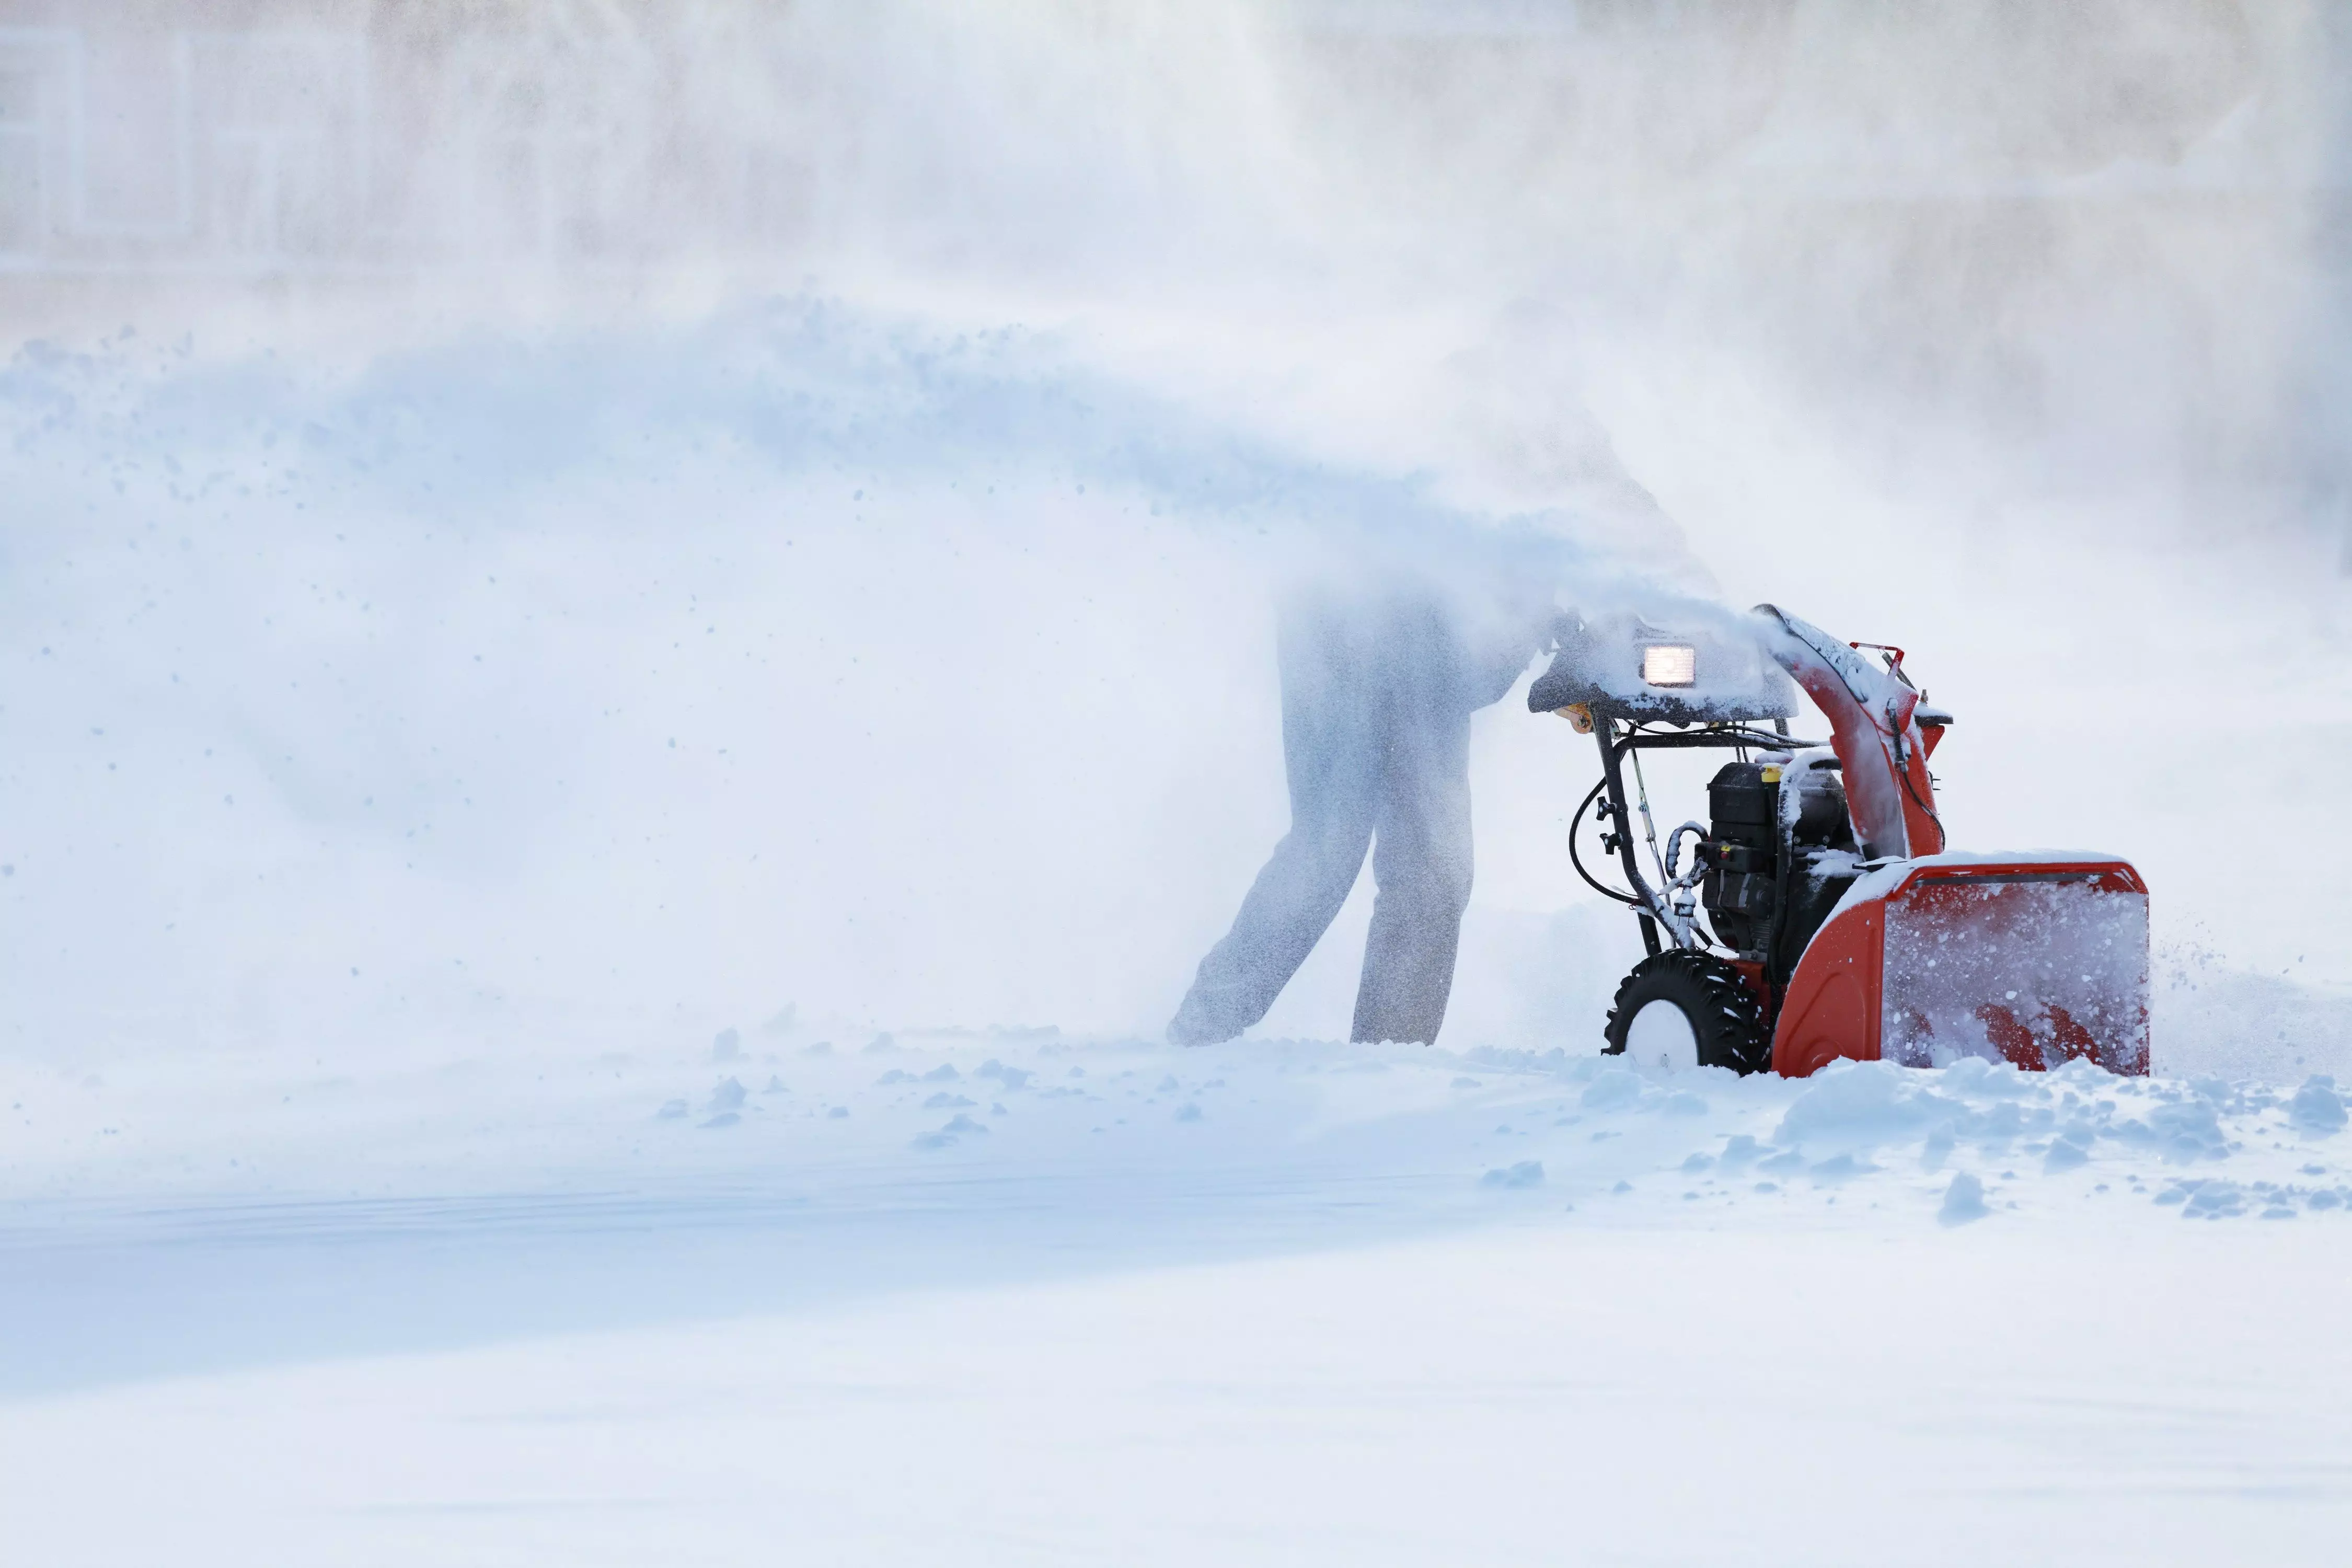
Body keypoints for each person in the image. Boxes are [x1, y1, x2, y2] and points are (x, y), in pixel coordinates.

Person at [1167, 567, 1550, 1046]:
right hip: (1338, 619)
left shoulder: (1562, 513)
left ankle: (1389, 1058)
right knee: (1327, 848)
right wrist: (1533, 618)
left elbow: (1476, 673)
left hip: (1433, 635)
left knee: (1433, 871)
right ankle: (1202, 1030)